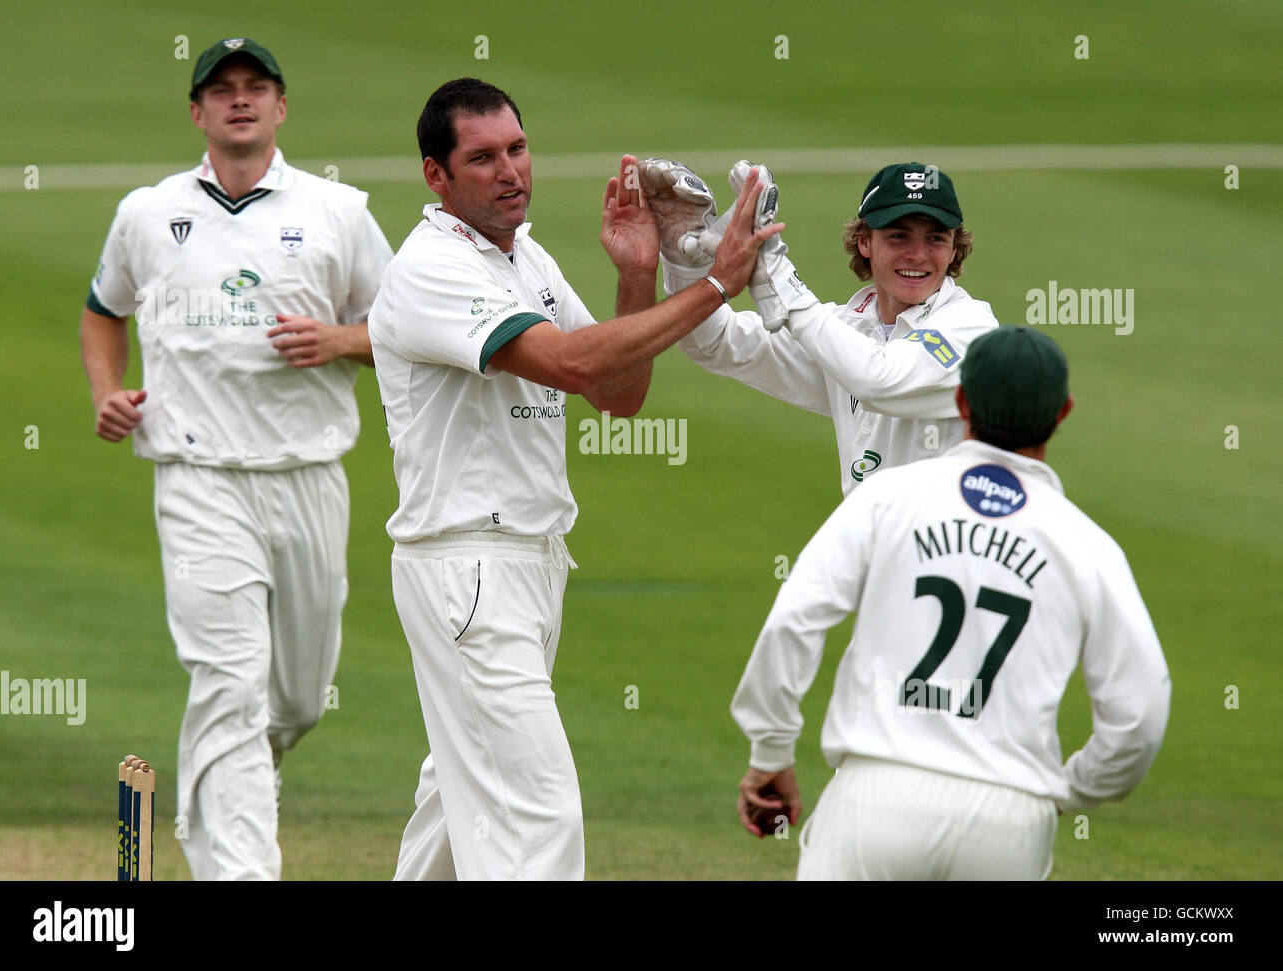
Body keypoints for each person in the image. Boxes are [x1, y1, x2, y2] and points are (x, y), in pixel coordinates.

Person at [368, 78, 779, 881]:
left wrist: (636, 273)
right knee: (537, 821)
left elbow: (617, 394)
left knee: (454, 818)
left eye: (517, 149)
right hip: (470, 570)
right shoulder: (432, 268)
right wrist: (718, 282)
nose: (510, 170)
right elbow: (567, 360)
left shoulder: (526, 257)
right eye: (482, 158)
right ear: (436, 176)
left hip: (526, 564)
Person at [78, 37, 394, 880]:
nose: (240, 101)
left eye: (257, 88)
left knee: (291, 700)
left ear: (282, 107)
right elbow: (104, 310)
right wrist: (107, 390)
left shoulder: (340, 211)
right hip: (198, 479)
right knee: (229, 681)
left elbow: (406, 332)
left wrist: (339, 338)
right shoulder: (147, 212)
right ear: (198, 112)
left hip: (308, 475)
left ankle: (208, 808)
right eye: (222, 91)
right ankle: (240, 869)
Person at [730, 326, 1171, 880]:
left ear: (960, 399)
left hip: (876, 796)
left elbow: (795, 619)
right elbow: (1141, 715)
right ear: (1063, 412)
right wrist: (1072, 789)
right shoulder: (1088, 545)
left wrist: (770, 754)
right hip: (1009, 818)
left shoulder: (886, 498)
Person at [652, 160, 1000, 496]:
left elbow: (878, 379)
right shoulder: (846, 330)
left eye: (936, 239)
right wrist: (684, 261)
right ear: (865, 242)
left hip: (947, 552)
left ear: (955, 248)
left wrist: (778, 276)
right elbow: (714, 344)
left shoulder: (972, 329)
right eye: (898, 237)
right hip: (874, 550)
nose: (918, 254)